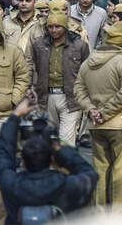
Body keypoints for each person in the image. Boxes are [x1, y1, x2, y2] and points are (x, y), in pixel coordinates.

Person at [0, 98, 98, 224]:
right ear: (51, 160)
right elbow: (89, 172)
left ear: (23, 162)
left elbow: (3, 154)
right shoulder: (67, 185)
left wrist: (15, 116)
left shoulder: (12, 184)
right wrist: (59, 150)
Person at [74, 22, 122, 211]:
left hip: (95, 124)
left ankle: (100, 213)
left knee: (100, 169)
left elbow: (78, 89)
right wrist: (106, 112)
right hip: (121, 124)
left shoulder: (89, 61)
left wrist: (91, 110)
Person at [30, 12, 89, 146]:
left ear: (65, 27)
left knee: (66, 141)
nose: (54, 30)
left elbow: (87, 71)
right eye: (50, 27)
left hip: (70, 97)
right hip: (46, 96)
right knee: (48, 140)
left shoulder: (79, 45)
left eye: (58, 27)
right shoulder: (39, 45)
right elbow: (32, 65)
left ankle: (66, 166)